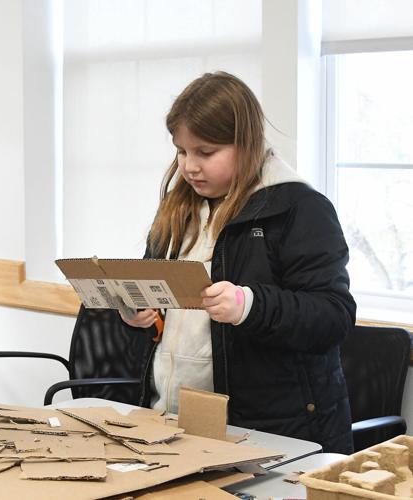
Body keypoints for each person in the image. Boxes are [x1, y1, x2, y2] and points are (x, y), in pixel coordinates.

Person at [121, 71, 355, 454]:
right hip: (172, 420)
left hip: (268, 431)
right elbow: (160, 304)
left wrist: (250, 305)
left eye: (206, 153)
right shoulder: (177, 208)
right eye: (181, 151)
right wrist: (137, 316)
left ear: (246, 144)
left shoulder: (300, 208)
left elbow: (333, 317)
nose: (189, 167)